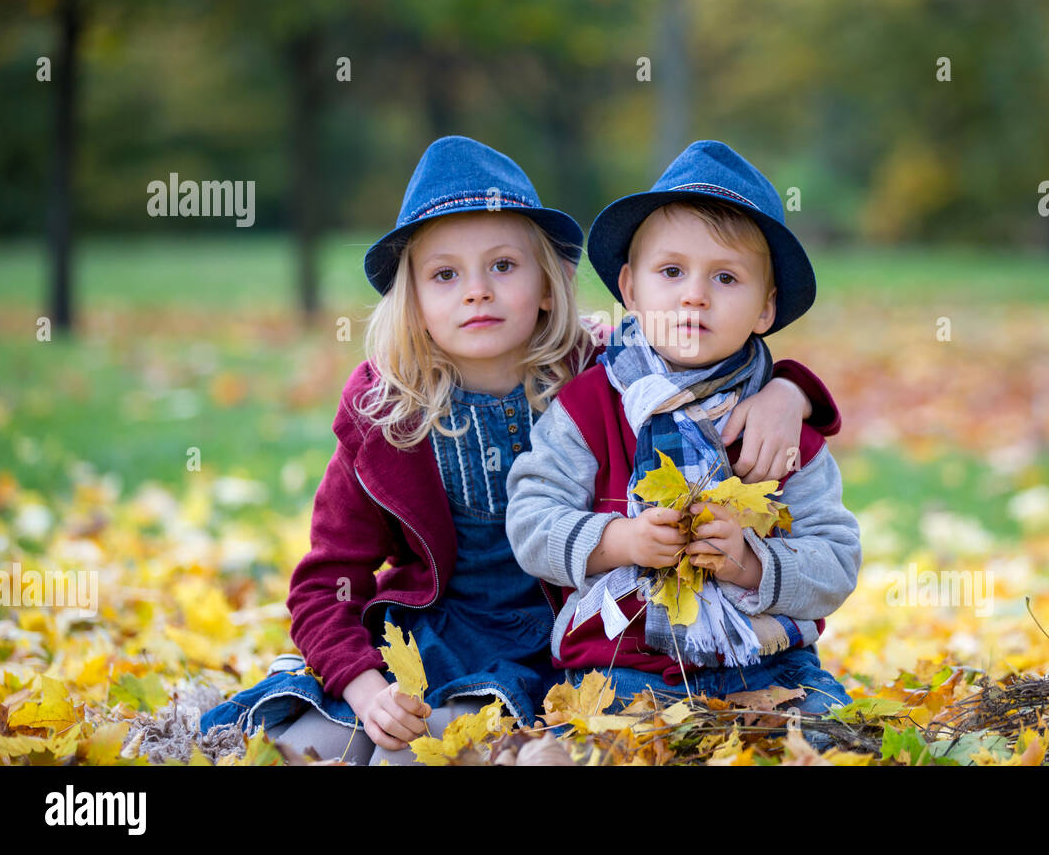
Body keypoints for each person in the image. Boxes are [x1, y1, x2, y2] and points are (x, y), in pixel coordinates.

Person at [198, 136, 841, 764]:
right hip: (433, 634)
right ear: (413, 299)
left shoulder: (597, 373)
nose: (477, 290)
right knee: (311, 747)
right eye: (445, 274)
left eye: (503, 266)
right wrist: (366, 689)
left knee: (438, 750)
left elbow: (693, 357)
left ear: (548, 281)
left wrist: (790, 391)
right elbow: (327, 581)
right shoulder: (386, 416)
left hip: (552, 643)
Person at [506, 140, 862, 748]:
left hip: (769, 666)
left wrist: (752, 564)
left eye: (725, 277)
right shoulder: (592, 405)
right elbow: (531, 519)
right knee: (597, 749)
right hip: (621, 665)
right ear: (630, 287)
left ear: (765, 308)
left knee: (834, 738)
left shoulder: (781, 432)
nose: (694, 294)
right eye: (671, 272)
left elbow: (836, 560)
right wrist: (621, 540)